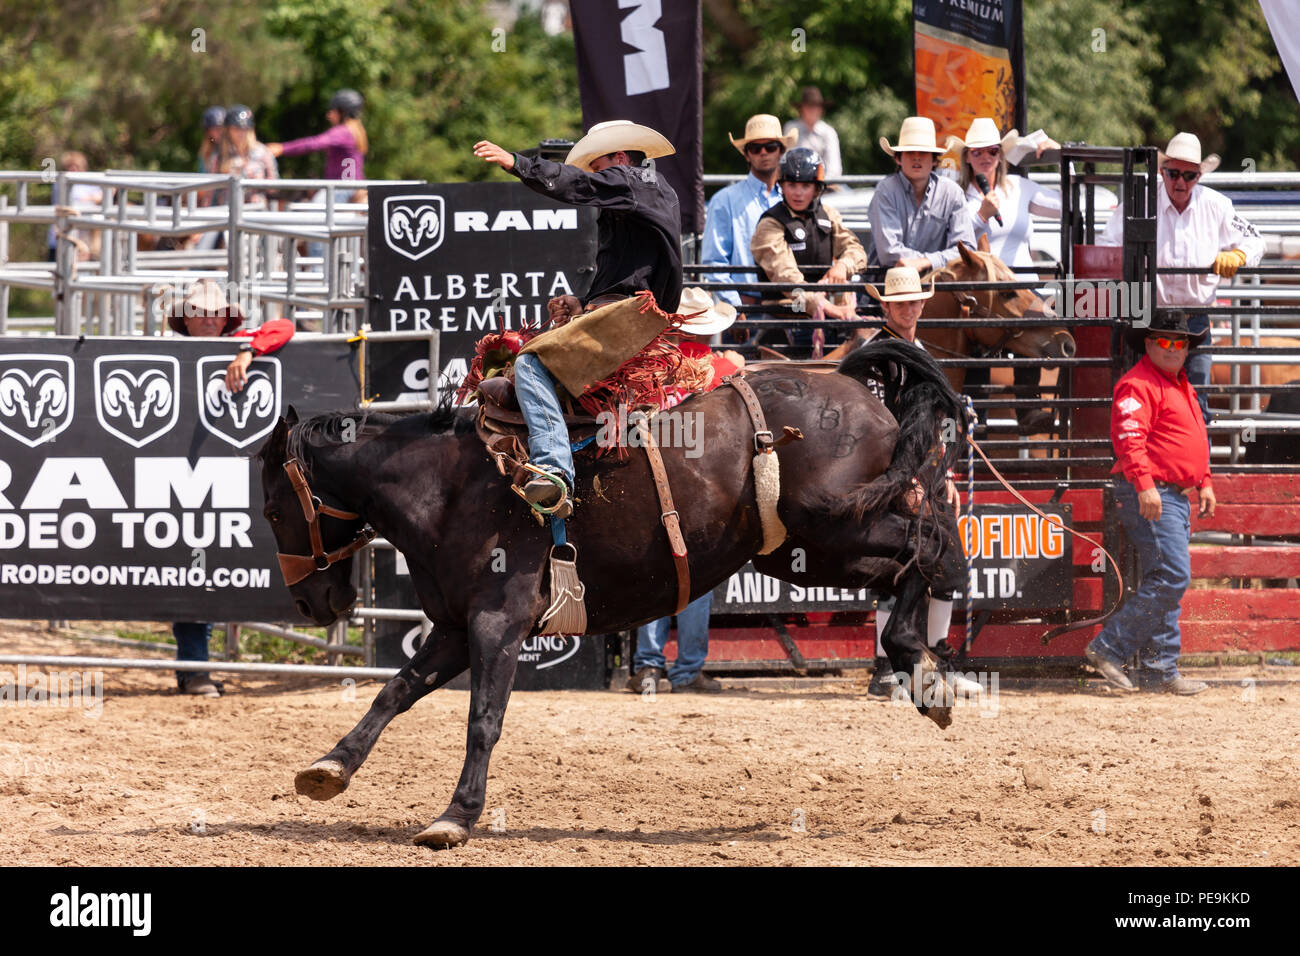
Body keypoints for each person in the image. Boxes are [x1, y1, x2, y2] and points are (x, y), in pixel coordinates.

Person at [472, 120, 681, 514]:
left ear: (620, 157)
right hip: (630, 311)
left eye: (599, 166)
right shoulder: (643, 193)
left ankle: (553, 469)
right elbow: (629, 270)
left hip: (631, 315)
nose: (596, 177)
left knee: (531, 364)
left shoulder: (633, 179)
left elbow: (576, 186)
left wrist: (517, 163)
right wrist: (583, 305)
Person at [166, 279, 296, 696]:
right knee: (189, 567)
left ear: (227, 317)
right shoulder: (164, 352)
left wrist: (248, 351)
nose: (206, 319)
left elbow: (284, 327)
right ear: (184, 318)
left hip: (234, 476)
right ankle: (195, 668)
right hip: (178, 476)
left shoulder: (244, 342)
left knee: (222, 561)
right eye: (197, 311)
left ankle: (195, 668)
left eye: (213, 311)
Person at [1085, 311, 1216, 696]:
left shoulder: (1179, 385)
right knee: (1172, 575)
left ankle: (1160, 668)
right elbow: (1128, 437)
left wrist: (1204, 482)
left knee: (1166, 577)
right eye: (1165, 341)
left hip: (1169, 493)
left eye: (1180, 342)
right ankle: (1109, 647)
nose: (1174, 348)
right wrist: (1144, 484)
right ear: (1149, 344)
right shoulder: (1138, 384)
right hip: (1151, 491)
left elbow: (1193, 437)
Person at [1099, 132, 1264, 423]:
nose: (1180, 182)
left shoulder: (1216, 206)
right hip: (1150, 317)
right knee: (1148, 403)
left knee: (1196, 403)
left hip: (1192, 318)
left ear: (1199, 176)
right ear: (1163, 172)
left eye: (1189, 176)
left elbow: (1255, 238)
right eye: (1174, 173)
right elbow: (1107, 246)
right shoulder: (1140, 202)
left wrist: (1239, 255)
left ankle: (1195, 467)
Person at [628, 288, 743, 695]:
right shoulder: (720, 366)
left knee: (653, 571)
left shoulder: (649, 366)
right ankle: (687, 669)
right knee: (698, 575)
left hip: (651, 478)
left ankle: (648, 667)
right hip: (702, 484)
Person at [856, 266, 961, 696]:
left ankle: (933, 658)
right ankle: (887, 669)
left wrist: (944, 470)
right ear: (886, 305)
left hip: (925, 474)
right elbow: (878, 426)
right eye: (900, 302)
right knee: (896, 571)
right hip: (893, 477)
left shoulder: (916, 350)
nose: (909, 307)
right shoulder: (878, 354)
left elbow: (930, 423)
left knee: (947, 569)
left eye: (915, 300)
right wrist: (904, 480)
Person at [950, 116, 1062, 433]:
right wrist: (979, 217)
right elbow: (953, 241)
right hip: (980, 289)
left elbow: (1067, 203)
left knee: (1039, 323)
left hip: (1021, 286)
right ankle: (974, 425)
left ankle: (1027, 408)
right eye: (977, 152)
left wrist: (1059, 159)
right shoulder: (957, 195)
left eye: (992, 151)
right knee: (972, 345)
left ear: (1001, 155)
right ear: (967, 158)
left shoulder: (1019, 188)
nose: (985, 158)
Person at [750, 147, 866, 357]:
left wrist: (843, 265)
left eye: (805, 185)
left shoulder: (829, 215)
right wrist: (827, 308)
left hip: (829, 318)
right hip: (786, 318)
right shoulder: (770, 224)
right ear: (782, 186)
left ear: (816, 189)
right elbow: (786, 278)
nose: (798, 192)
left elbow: (856, 250)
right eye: (791, 185)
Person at [700, 113, 792, 308]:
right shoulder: (724, 200)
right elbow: (714, 263)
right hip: (747, 308)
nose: (763, 153)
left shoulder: (793, 198)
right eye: (755, 148)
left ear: (781, 151)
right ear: (747, 154)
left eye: (770, 146)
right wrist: (736, 306)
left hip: (794, 307)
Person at [867, 116, 975, 273]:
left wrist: (925, 262)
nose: (917, 157)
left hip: (937, 287)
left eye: (923, 152)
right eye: (910, 152)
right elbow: (888, 252)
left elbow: (967, 250)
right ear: (898, 159)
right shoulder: (885, 191)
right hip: (887, 285)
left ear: (933, 160)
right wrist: (934, 261)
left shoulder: (952, 193)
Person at [216, 104, 278, 209]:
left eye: (244, 129)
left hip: (256, 210)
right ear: (228, 130)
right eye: (236, 129)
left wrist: (256, 182)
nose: (241, 133)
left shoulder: (263, 152)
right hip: (229, 211)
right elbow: (213, 190)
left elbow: (274, 187)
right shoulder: (221, 155)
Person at [784, 86, 842, 179]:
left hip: (825, 184)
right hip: (796, 183)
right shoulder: (791, 129)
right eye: (809, 106)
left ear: (821, 109)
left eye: (816, 106)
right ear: (801, 109)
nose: (813, 110)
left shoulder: (829, 132)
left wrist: (819, 185)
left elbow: (834, 169)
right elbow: (786, 161)